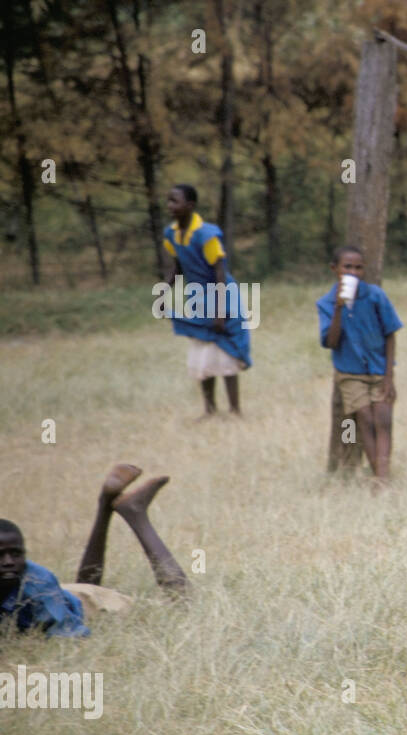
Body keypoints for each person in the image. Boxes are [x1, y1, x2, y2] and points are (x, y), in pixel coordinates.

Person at [0, 465, 187, 639]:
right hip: (67, 594)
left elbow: (71, 637)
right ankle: (106, 504)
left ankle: (136, 515)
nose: (8, 561)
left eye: (16, 554)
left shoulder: (39, 586)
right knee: (84, 589)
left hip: (83, 602)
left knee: (182, 606)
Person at [162, 184, 253, 417]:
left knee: (226, 352)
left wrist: (221, 311)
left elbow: (220, 273)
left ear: (190, 206)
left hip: (221, 295)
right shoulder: (171, 234)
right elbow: (178, 266)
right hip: (197, 298)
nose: (170, 206)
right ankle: (210, 410)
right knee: (202, 353)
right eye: (169, 201)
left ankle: (235, 410)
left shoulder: (206, 235)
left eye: (175, 201)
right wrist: (164, 292)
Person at [317, 245, 402, 484]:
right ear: (335, 270)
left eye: (358, 267)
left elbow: (390, 334)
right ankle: (378, 476)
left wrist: (389, 377)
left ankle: (383, 477)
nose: (352, 273)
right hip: (350, 373)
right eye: (347, 267)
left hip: (378, 368)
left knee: (383, 418)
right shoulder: (326, 303)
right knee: (363, 417)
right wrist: (339, 308)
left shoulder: (375, 296)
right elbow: (331, 342)